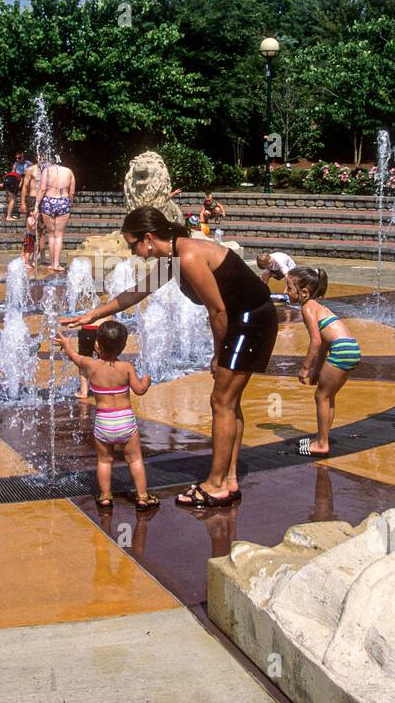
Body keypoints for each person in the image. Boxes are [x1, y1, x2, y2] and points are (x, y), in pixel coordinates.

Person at [63, 206, 278, 509]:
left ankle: (215, 485)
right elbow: (136, 293)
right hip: (247, 318)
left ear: (148, 238)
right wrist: (94, 313)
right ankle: (228, 479)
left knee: (221, 401)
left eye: (133, 244)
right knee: (229, 402)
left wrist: (218, 355)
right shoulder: (173, 258)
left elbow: (217, 310)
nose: (133, 252)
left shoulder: (187, 257)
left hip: (249, 320)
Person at [57, 320, 158, 511]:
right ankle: (143, 497)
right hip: (125, 421)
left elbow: (74, 357)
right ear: (123, 346)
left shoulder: (90, 365)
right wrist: (146, 381)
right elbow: (139, 390)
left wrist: (66, 345)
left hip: (104, 422)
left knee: (104, 461)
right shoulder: (126, 367)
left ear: (96, 344)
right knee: (135, 459)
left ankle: (105, 496)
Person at [287, 266, 360, 456]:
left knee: (321, 397)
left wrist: (305, 368)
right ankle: (322, 437)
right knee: (328, 396)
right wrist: (317, 370)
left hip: (341, 350)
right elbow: (325, 345)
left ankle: (321, 443)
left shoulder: (308, 308)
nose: (285, 292)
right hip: (350, 348)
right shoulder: (320, 307)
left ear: (304, 292)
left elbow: (316, 342)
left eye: (289, 288)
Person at [34, 155, 76, 272]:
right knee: (60, 234)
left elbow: (42, 190)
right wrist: (68, 204)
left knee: (51, 234)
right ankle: (57, 263)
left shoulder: (46, 171)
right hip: (63, 200)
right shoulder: (69, 171)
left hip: (48, 201)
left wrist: (36, 207)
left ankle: (52, 263)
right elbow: (72, 192)